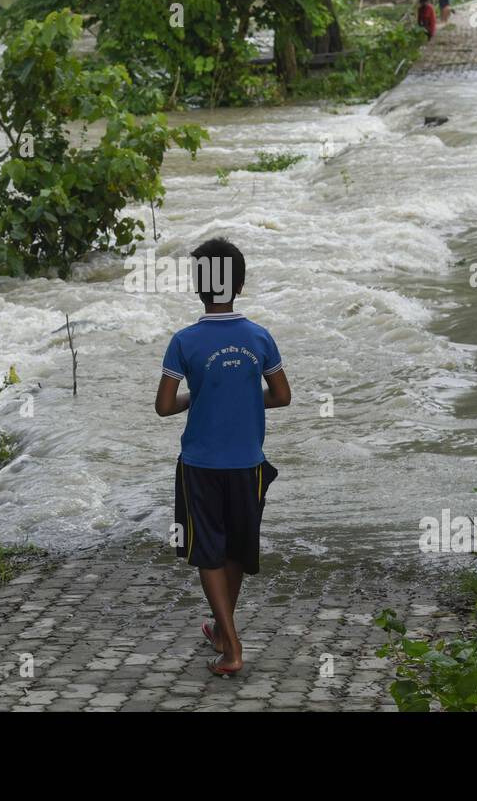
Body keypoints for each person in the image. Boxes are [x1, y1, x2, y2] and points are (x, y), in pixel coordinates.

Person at [154, 237, 291, 676]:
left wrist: (201, 396)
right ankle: (222, 632)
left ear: (198, 286)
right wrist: (242, 394)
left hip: (200, 465)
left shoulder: (184, 341)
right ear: (240, 283)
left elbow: (163, 406)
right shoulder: (259, 337)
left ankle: (231, 647)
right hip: (248, 463)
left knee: (207, 554)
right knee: (234, 553)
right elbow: (282, 396)